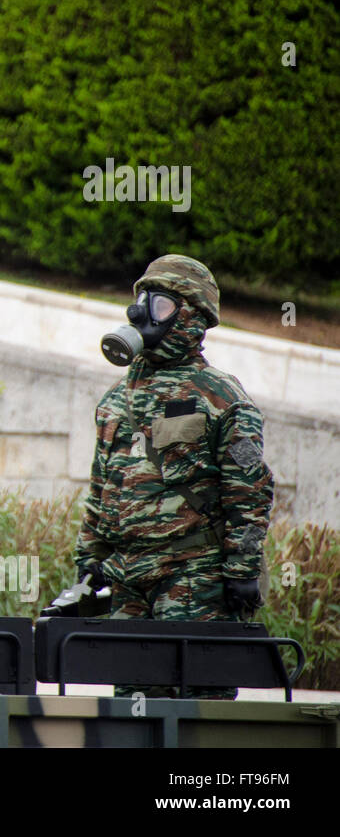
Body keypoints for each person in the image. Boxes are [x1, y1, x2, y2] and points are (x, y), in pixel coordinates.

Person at [74, 255, 273, 699]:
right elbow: (103, 484)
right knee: (132, 710)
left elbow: (249, 489)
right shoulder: (115, 398)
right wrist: (89, 556)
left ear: (193, 317)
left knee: (196, 711)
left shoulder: (222, 397)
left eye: (159, 304)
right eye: (141, 299)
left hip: (193, 578)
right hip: (128, 579)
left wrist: (241, 568)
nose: (142, 312)